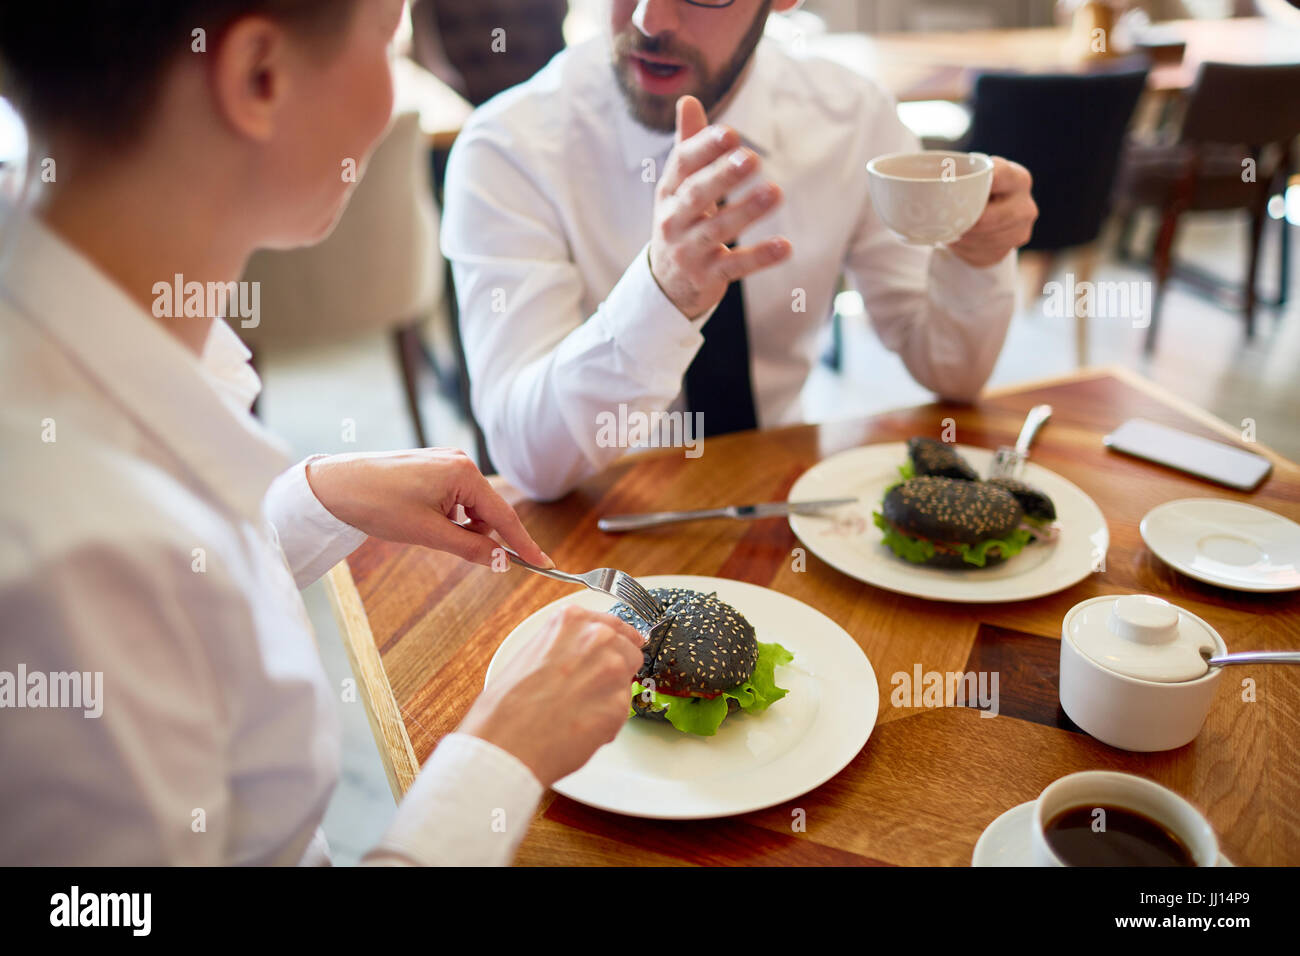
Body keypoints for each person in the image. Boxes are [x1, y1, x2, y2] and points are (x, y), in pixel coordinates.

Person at [0, 1, 643, 866]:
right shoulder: (70, 568)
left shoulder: (90, 324)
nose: (393, 91)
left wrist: (310, 501)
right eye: (387, 39)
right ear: (259, 77)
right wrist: (502, 753)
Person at [442, 0, 1039, 501]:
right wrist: (661, 296)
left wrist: (976, 260)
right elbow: (528, 463)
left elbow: (950, 372)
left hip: (786, 498)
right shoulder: (508, 150)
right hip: (597, 522)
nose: (651, 19)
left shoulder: (852, 119)